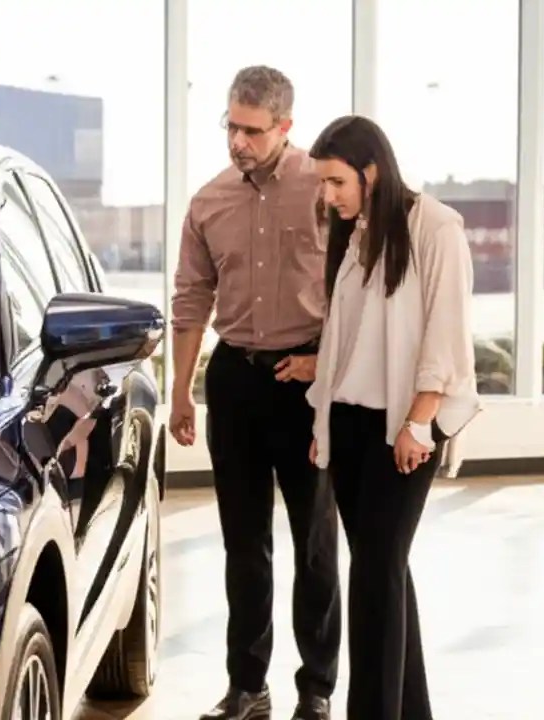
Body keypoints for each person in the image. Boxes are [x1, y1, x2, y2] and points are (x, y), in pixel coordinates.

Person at [170, 65, 341, 720]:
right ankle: (248, 686)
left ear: (284, 126)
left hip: (305, 383)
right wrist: (182, 392)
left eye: (251, 130)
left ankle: (317, 689)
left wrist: (325, 361)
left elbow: (358, 287)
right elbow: (191, 300)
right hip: (235, 380)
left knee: (316, 542)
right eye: (231, 126)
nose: (237, 141)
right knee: (244, 544)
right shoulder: (209, 200)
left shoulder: (322, 189)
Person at [304, 115, 482, 720]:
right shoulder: (355, 234)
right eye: (323, 184)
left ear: (370, 170)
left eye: (335, 182)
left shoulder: (436, 226)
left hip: (403, 430)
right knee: (384, 570)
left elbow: (446, 332)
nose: (327, 196)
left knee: (376, 576)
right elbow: (345, 338)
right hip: (352, 426)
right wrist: (322, 423)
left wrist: (419, 420)